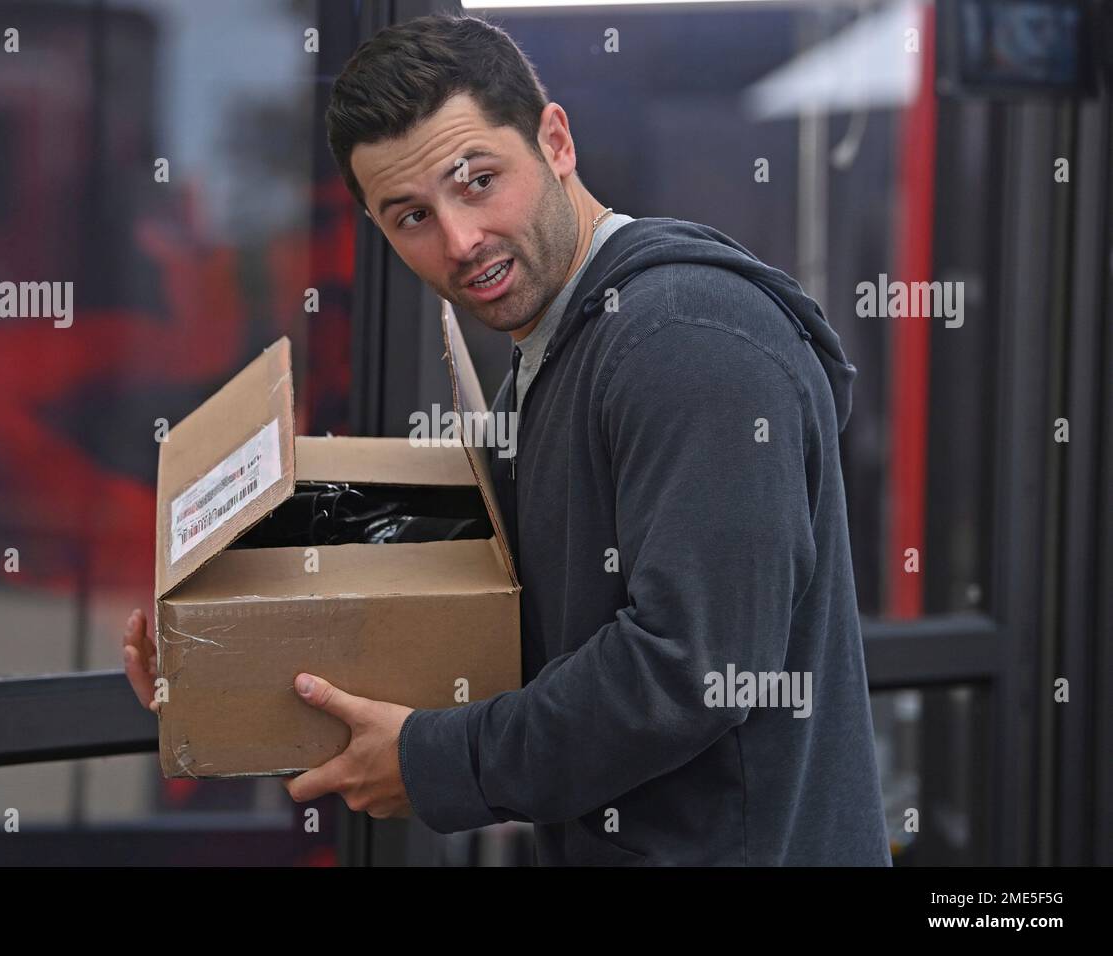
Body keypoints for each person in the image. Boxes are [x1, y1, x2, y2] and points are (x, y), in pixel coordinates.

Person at [125, 13, 892, 866]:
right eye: (411, 215)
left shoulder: (686, 336)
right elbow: (494, 627)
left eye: (478, 180)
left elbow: (688, 671)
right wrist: (224, 659)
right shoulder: (560, 349)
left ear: (555, 141)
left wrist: (439, 764)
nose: (458, 240)